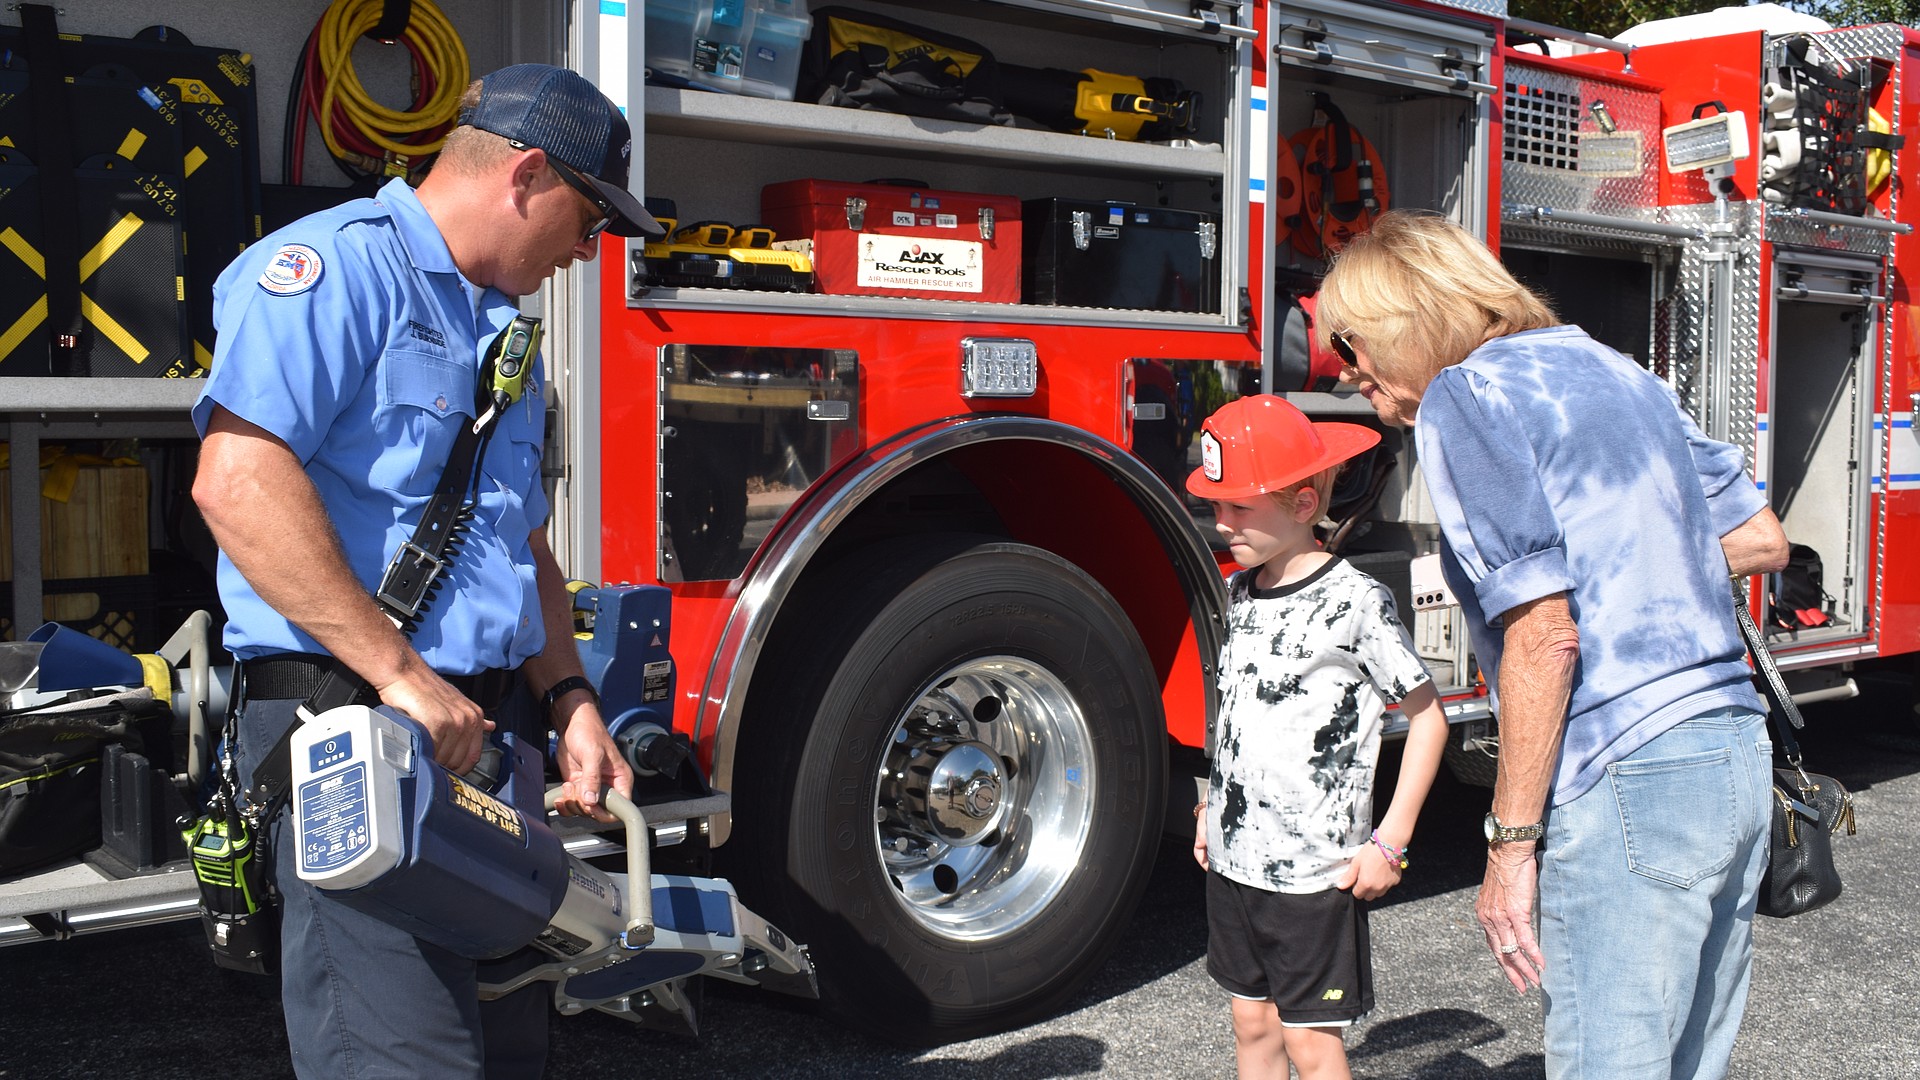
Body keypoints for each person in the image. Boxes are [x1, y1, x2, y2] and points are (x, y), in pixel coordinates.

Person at [190, 64, 663, 1079]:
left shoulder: (500, 328)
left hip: (481, 738)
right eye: (589, 219)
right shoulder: (331, 271)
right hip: (357, 728)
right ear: (527, 174)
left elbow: (519, 541)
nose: (588, 253)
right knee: (403, 1061)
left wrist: (571, 694)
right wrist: (404, 675)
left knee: (504, 1045)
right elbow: (236, 484)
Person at [1314, 209, 1790, 1080]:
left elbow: (1543, 634)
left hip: (1624, 768)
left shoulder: (1468, 394)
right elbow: (1761, 537)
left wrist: (1510, 846)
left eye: (1350, 347)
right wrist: (1639, 568)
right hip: (1733, 750)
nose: (1350, 378)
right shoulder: (1613, 368)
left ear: (1404, 319)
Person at [1190, 395, 1450, 1080]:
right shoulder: (1239, 591)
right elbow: (1237, 710)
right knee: (1251, 1021)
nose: (1223, 524)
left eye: (1240, 508)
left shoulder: (1356, 602)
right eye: (1218, 508)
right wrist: (1211, 807)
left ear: (1304, 504)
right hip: (1236, 856)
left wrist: (1389, 841)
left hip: (1313, 872)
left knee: (1310, 1041)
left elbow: (1427, 719)